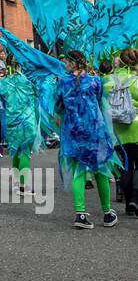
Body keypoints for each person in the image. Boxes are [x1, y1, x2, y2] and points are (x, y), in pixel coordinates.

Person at [54, 49, 119, 229]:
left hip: (73, 133)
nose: (65, 65)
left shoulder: (63, 83)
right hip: (94, 132)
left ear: (74, 63)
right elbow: (99, 102)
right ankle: (107, 214)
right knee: (100, 172)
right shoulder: (95, 81)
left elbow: (57, 105)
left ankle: (81, 214)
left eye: (67, 62)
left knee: (79, 172)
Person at [0, 61, 41, 197]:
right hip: (27, 120)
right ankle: (23, 186)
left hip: (11, 120)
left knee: (15, 151)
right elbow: (38, 94)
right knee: (25, 152)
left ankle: (18, 184)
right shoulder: (28, 80)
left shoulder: (4, 82)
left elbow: (1, 99)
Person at [103, 47, 138, 217]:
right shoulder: (136, 80)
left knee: (125, 166)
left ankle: (128, 201)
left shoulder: (110, 80)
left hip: (118, 129)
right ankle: (135, 200)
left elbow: (102, 99)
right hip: (137, 127)